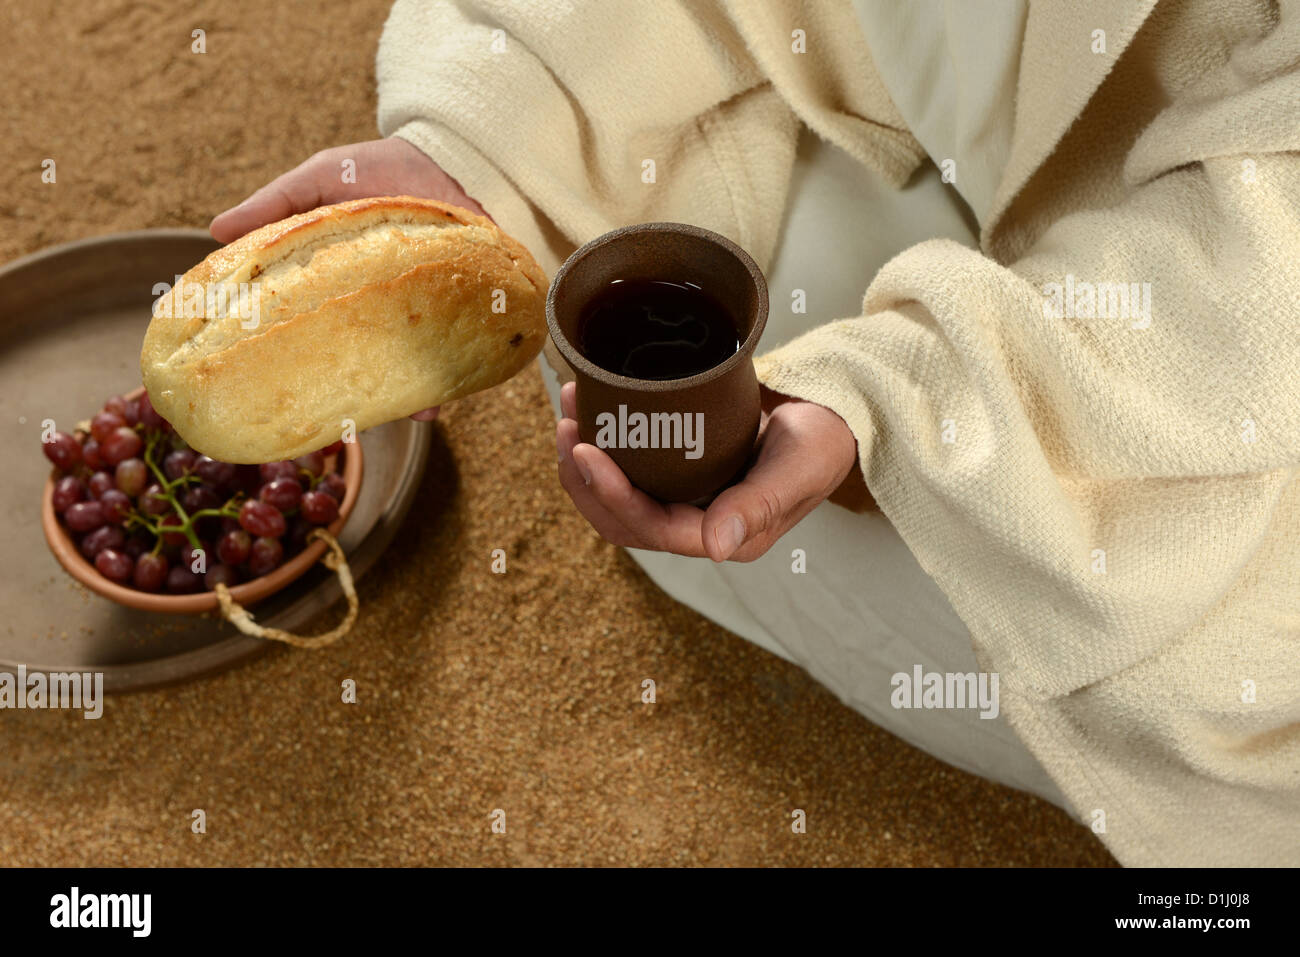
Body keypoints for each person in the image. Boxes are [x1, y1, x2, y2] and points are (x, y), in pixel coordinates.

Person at [211, 0, 1300, 866]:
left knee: (1145, 644)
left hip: (1222, 312)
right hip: (969, 93)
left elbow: (1257, 299)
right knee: (615, 243)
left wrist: (895, 405)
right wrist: (494, 150)